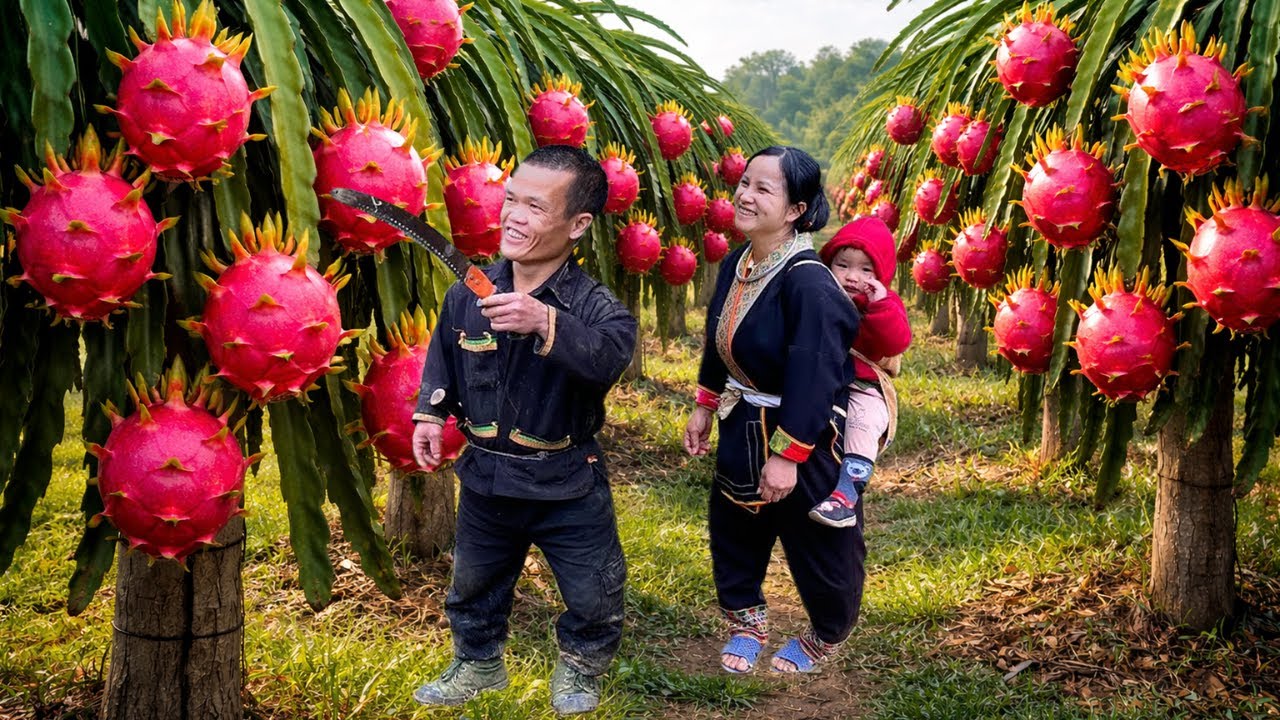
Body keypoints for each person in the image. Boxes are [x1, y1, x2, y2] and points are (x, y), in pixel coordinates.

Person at [409, 144, 638, 715]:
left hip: (566, 480)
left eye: (535, 207)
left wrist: (546, 321)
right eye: (510, 199)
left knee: (592, 589)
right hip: (487, 476)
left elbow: (608, 358)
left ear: (578, 224)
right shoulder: (468, 291)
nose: (513, 215)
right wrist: (431, 412)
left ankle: (582, 667)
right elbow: (444, 357)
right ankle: (478, 663)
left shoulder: (596, 307)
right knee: (474, 584)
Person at [683, 146, 862, 675]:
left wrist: (788, 454)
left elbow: (815, 373)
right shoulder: (739, 262)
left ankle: (827, 632)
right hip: (741, 418)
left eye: (764, 188)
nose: (745, 195)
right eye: (744, 182)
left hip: (801, 429)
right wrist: (704, 404)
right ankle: (747, 621)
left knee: (816, 537)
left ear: (795, 210)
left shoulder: (807, 281)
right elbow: (719, 336)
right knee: (735, 525)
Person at [809, 216, 911, 527]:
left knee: (863, 424)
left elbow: (897, 341)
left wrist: (879, 304)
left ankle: (846, 495)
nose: (853, 276)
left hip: (864, 387)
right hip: (824, 377)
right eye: (843, 265)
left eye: (866, 269)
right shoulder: (820, 295)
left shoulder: (884, 303)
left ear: (881, 276)